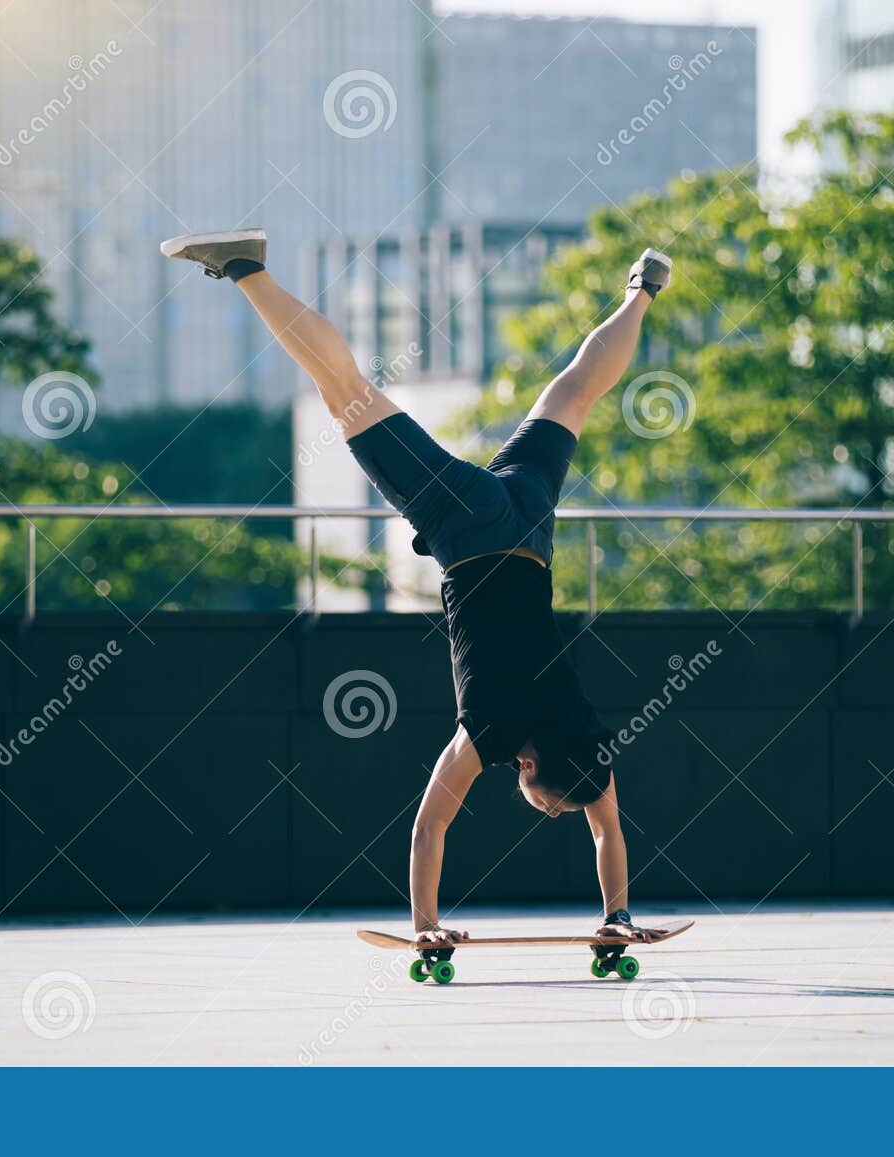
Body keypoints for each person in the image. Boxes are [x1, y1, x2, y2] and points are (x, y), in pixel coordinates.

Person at [161, 227, 670, 946]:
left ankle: (643, 289)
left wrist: (618, 914)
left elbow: (607, 831)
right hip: (469, 526)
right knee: (347, 394)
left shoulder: (583, 735)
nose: (556, 811)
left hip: (529, 527)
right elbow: (430, 824)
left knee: (575, 393)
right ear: (532, 768)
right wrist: (425, 926)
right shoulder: (492, 727)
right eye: (555, 806)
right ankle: (246, 265)